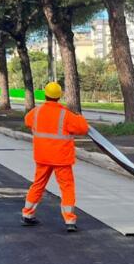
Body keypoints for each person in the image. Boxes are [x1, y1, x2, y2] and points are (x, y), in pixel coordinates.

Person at [21, 81, 90, 232]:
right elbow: (83, 128)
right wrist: (79, 117)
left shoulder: (36, 112)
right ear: (59, 96)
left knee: (38, 184)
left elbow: (27, 121)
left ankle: (27, 214)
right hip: (61, 158)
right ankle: (69, 220)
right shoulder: (65, 114)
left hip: (43, 157)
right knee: (67, 187)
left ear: (45, 94)